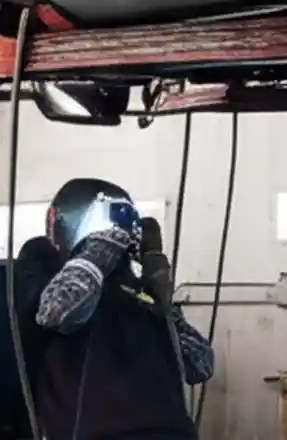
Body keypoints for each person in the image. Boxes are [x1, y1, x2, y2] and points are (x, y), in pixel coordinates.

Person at [15, 178, 213, 440]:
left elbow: (199, 365)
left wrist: (164, 303)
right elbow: (56, 310)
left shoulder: (136, 290)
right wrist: (102, 247)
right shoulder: (44, 267)